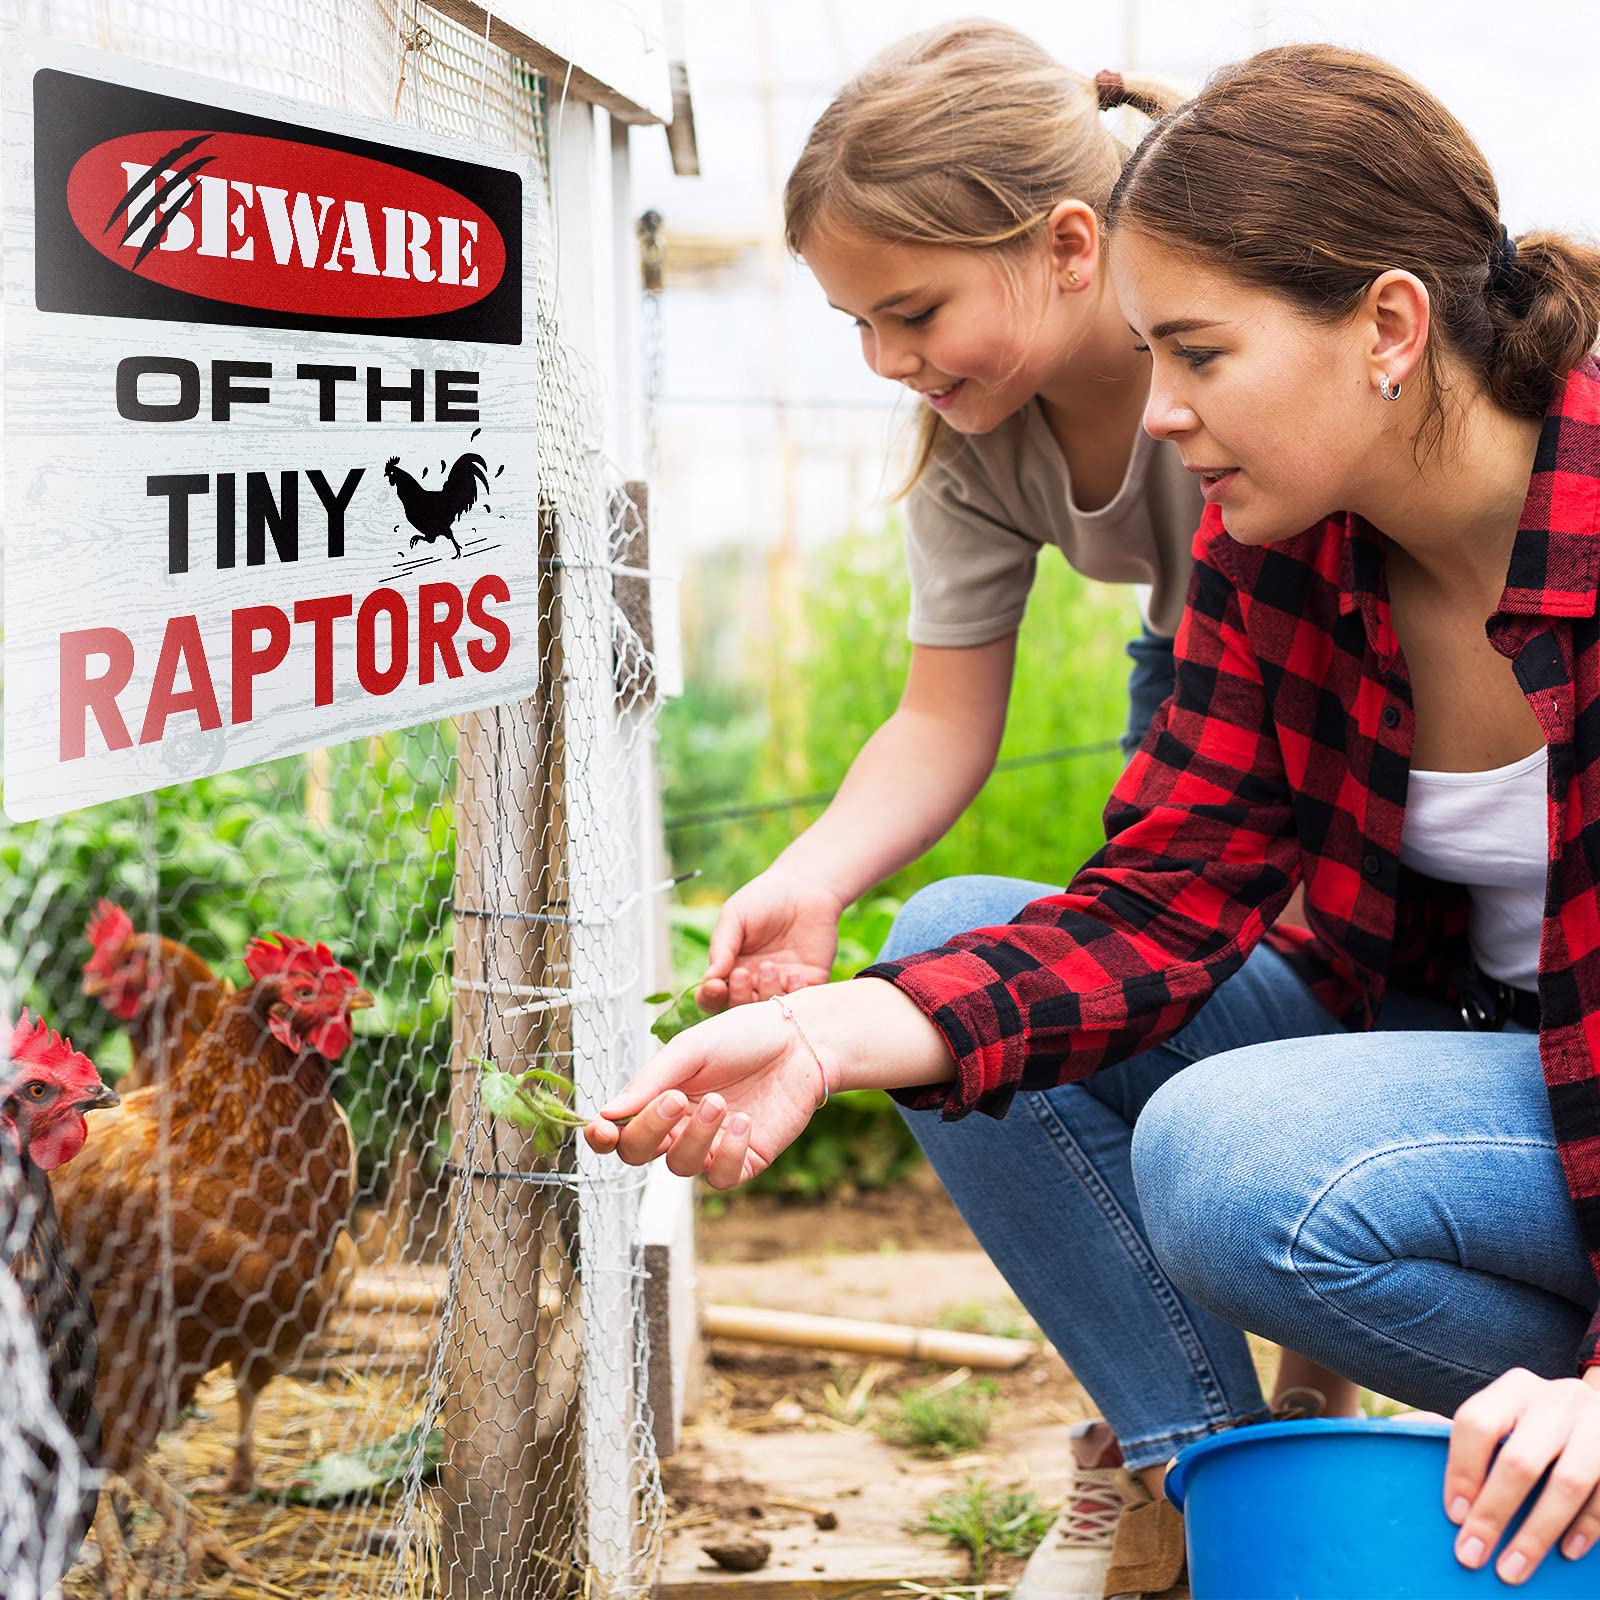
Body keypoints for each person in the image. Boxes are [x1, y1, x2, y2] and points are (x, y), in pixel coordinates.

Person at [592, 41, 1600, 1595]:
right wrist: (829, 1035)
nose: (1162, 418)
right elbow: (1161, 904)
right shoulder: (1293, 549)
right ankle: (1216, 1496)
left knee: (1243, 1162)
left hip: (1559, 1086)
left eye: (1196, 355)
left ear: (1391, 326)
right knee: (954, 948)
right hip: (1492, 1053)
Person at [692, 28, 1345, 1591]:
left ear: (1069, 246)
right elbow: (940, 718)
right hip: (1197, 705)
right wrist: (807, 877)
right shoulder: (978, 449)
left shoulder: (1263, 357)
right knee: (961, 974)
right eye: (857, 321)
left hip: (1346, 695)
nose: (885, 360)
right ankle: (1188, 1467)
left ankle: (1311, 1419)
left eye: (911, 310)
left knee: (1299, 1051)